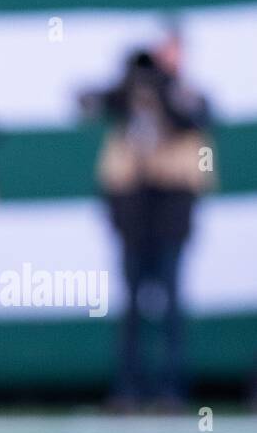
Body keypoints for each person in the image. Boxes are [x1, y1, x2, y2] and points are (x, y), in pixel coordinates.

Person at [82, 40, 213, 411]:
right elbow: (88, 104)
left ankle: (172, 388)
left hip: (170, 212)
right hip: (134, 214)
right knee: (133, 306)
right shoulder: (127, 102)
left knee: (170, 301)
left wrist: (164, 91)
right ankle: (129, 388)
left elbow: (195, 119)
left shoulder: (186, 96)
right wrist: (129, 89)